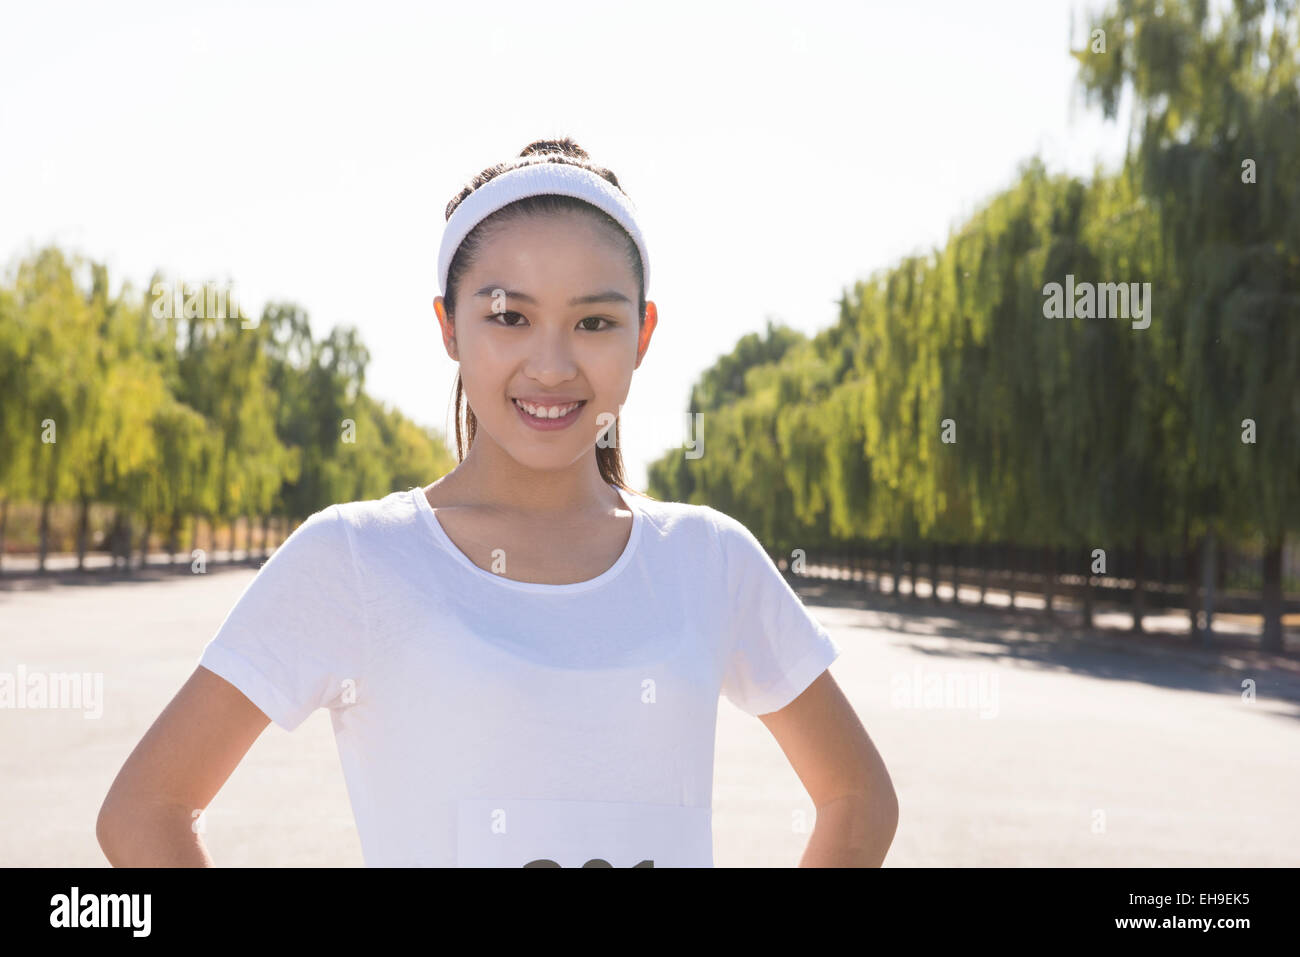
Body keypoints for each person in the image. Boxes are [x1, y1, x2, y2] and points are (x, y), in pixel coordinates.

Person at [95, 137, 898, 867]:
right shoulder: (355, 556)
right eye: (508, 316)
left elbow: (859, 796)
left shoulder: (709, 557)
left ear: (643, 335)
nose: (551, 365)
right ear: (448, 326)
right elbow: (143, 813)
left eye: (593, 321)